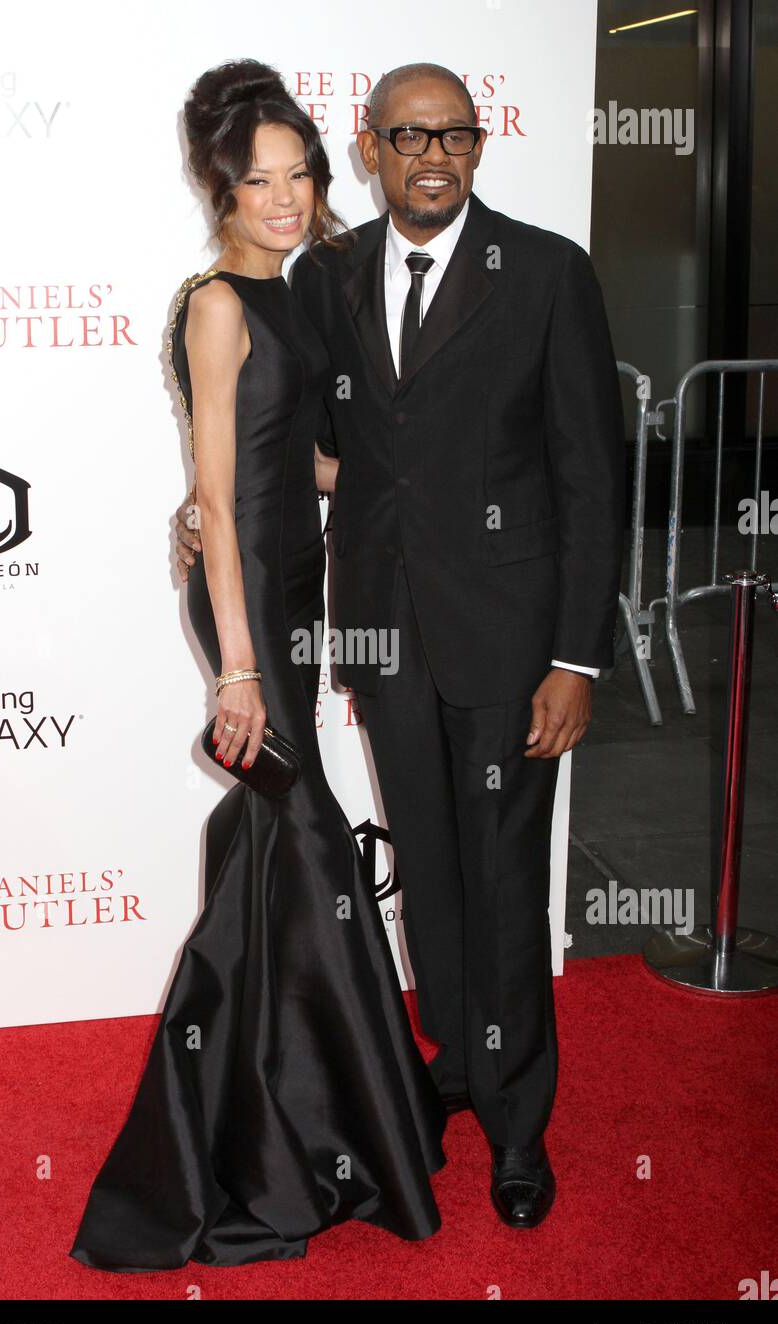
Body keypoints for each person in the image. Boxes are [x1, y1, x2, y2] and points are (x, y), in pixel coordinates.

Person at [177, 63, 625, 1229]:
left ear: (477, 147)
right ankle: (462, 1065)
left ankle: (519, 1129)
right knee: (425, 874)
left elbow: (590, 475)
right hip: (379, 633)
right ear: (369, 150)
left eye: (454, 135)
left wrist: (574, 656)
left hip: (511, 644)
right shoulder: (325, 277)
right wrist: (211, 501)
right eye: (406, 136)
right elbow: (323, 443)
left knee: (504, 879)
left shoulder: (542, 273)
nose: (432, 156)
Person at [69, 60, 446, 1273]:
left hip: (292, 592)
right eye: (258, 182)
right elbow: (222, 505)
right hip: (244, 611)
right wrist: (236, 670)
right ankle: (287, 1136)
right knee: (319, 842)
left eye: (299, 177)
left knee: (283, 855)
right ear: (216, 188)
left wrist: (401, 483)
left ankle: (280, 1106)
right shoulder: (220, 304)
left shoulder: (292, 290)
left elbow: (302, 466)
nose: (284, 199)